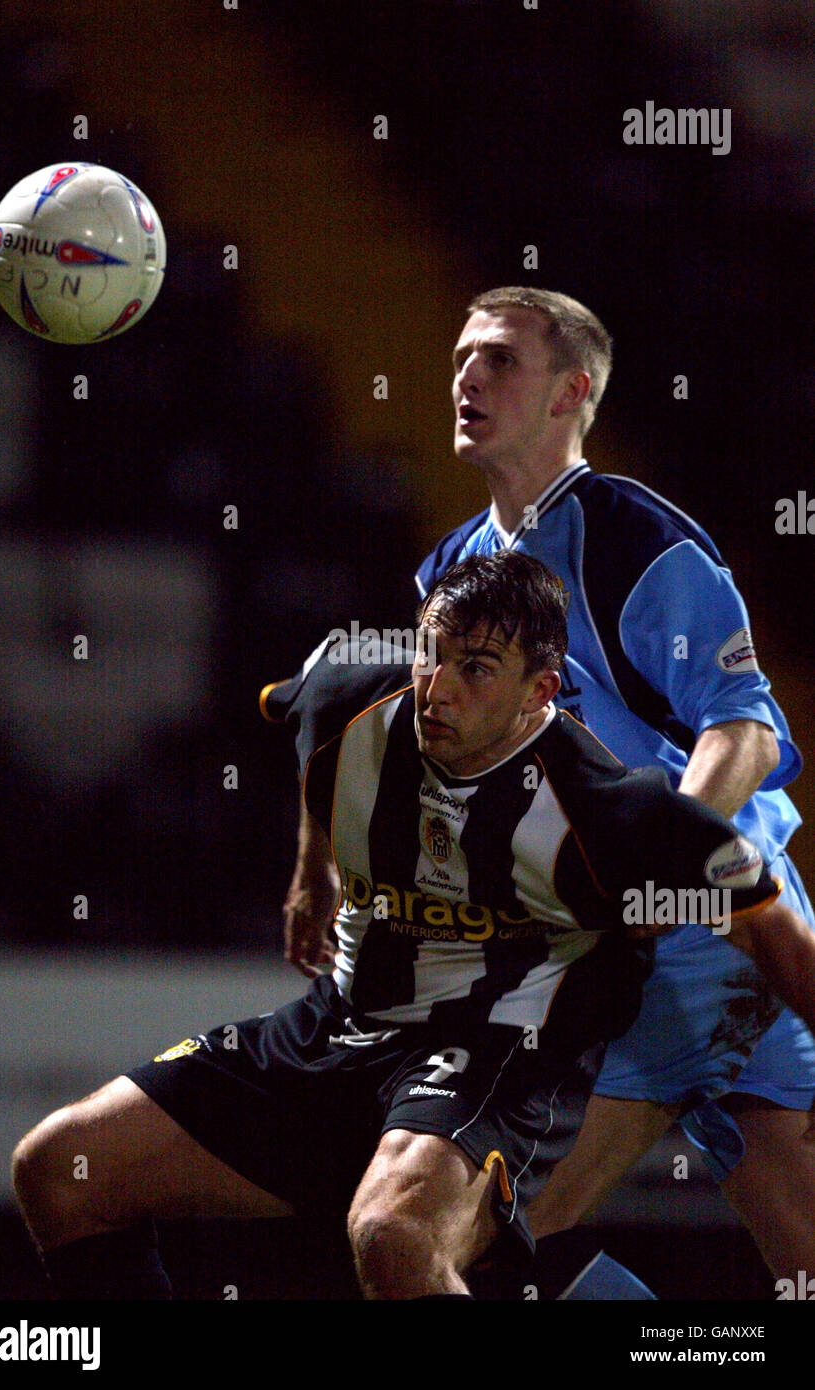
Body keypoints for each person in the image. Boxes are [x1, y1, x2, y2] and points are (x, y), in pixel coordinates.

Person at [11, 552, 815, 1300]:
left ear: (542, 690)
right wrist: (313, 871)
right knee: (56, 1169)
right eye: (430, 653)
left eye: (475, 669)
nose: (436, 687)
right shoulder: (350, 690)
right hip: (337, 1027)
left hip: (496, 1051)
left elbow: (773, 929)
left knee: (394, 1237)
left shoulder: (610, 812)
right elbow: (306, 730)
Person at [285, 287, 815, 1282]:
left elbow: (740, 726)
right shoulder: (452, 567)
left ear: (572, 391)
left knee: (442, 1239)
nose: (465, 378)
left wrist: (656, 867)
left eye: (497, 360)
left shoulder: (629, 538)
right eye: (457, 359)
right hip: (643, 945)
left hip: (699, 938)